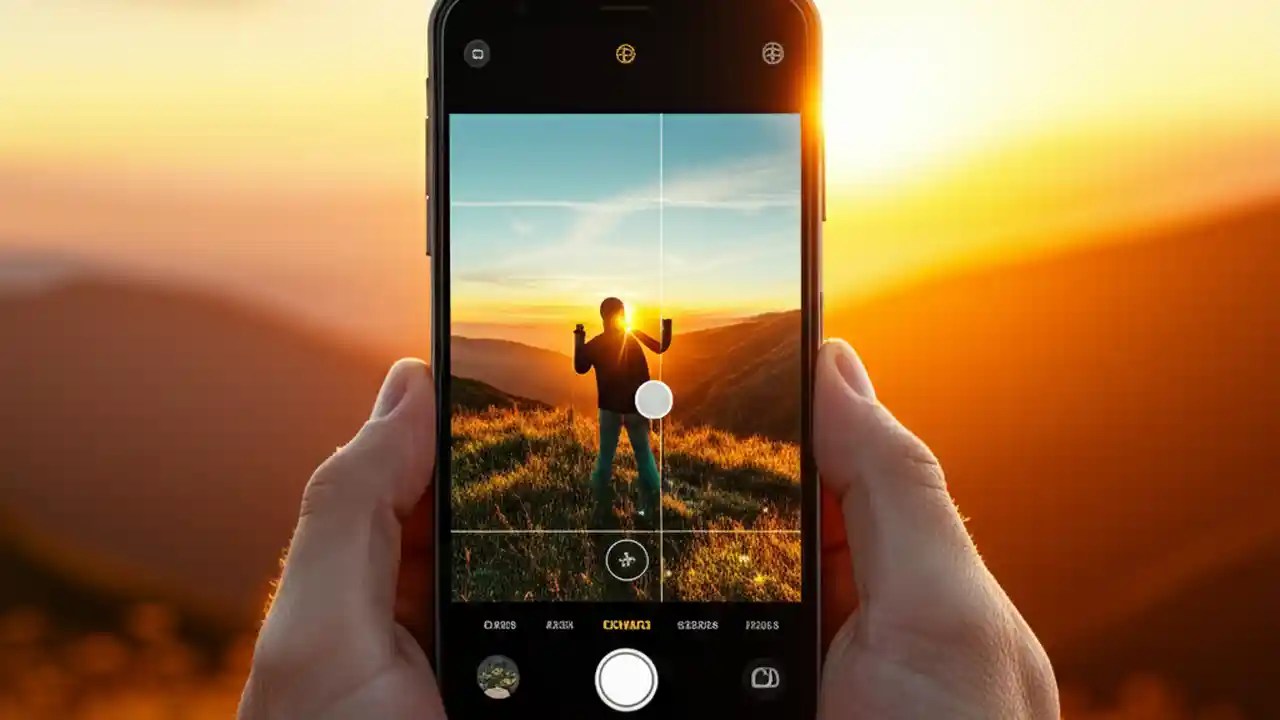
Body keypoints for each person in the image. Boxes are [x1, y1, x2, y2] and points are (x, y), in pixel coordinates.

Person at [238, 341, 1060, 719]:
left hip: (624, 417)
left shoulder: (624, 338)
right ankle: (630, 510)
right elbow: (586, 368)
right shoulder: (605, 341)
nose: (609, 321)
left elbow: (633, 359)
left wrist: (649, 342)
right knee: (616, 472)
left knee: (638, 472)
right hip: (611, 418)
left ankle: (641, 509)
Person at [573, 297, 672, 526]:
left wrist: (579, 337)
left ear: (602, 316)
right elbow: (661, 347)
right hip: (635, 409)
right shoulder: (632, 340)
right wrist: (666, 327)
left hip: (609, 410)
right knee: (643, 456)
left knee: (605, 458)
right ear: (622, 314)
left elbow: (580, 367)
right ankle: (651, 506)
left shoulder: (598, 343)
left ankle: (599, 507)